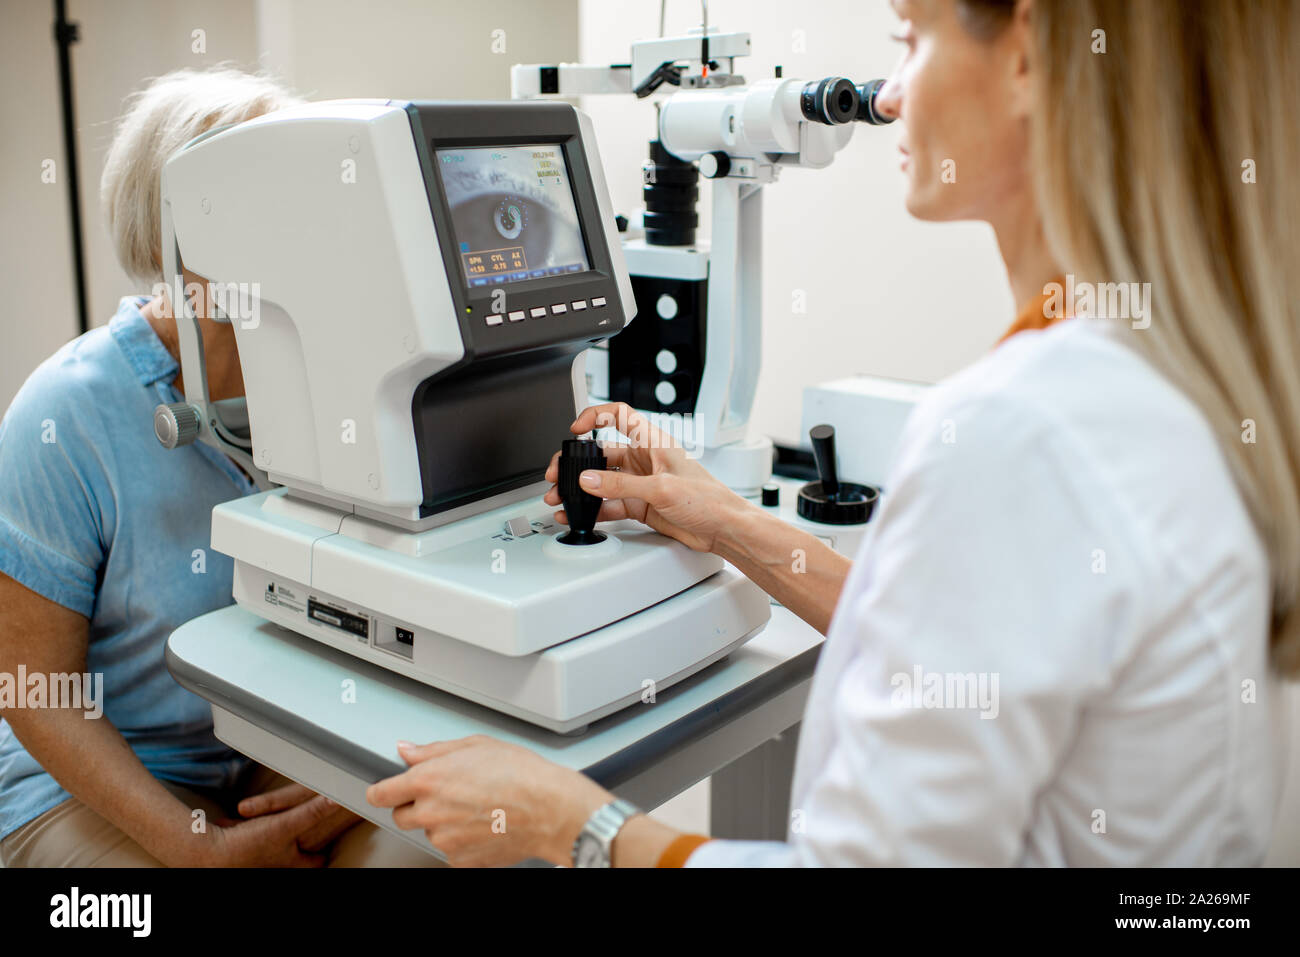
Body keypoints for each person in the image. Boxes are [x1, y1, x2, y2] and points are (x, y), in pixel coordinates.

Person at [367, 0, 1298, 866]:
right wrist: (723, 516)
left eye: (912, 41)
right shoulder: (1169, 362)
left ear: (1028, 55)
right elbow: (975, 659)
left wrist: (570, 818)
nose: (892, 94)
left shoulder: (1022, 431)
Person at [0, 68, 436, 867]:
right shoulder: (64, 416)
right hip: (93, 783)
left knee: (435, 854)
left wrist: (350, 776)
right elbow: (31, 690)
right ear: (179, 231)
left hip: (273, 753)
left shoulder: (326, 380)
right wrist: (189, 846)